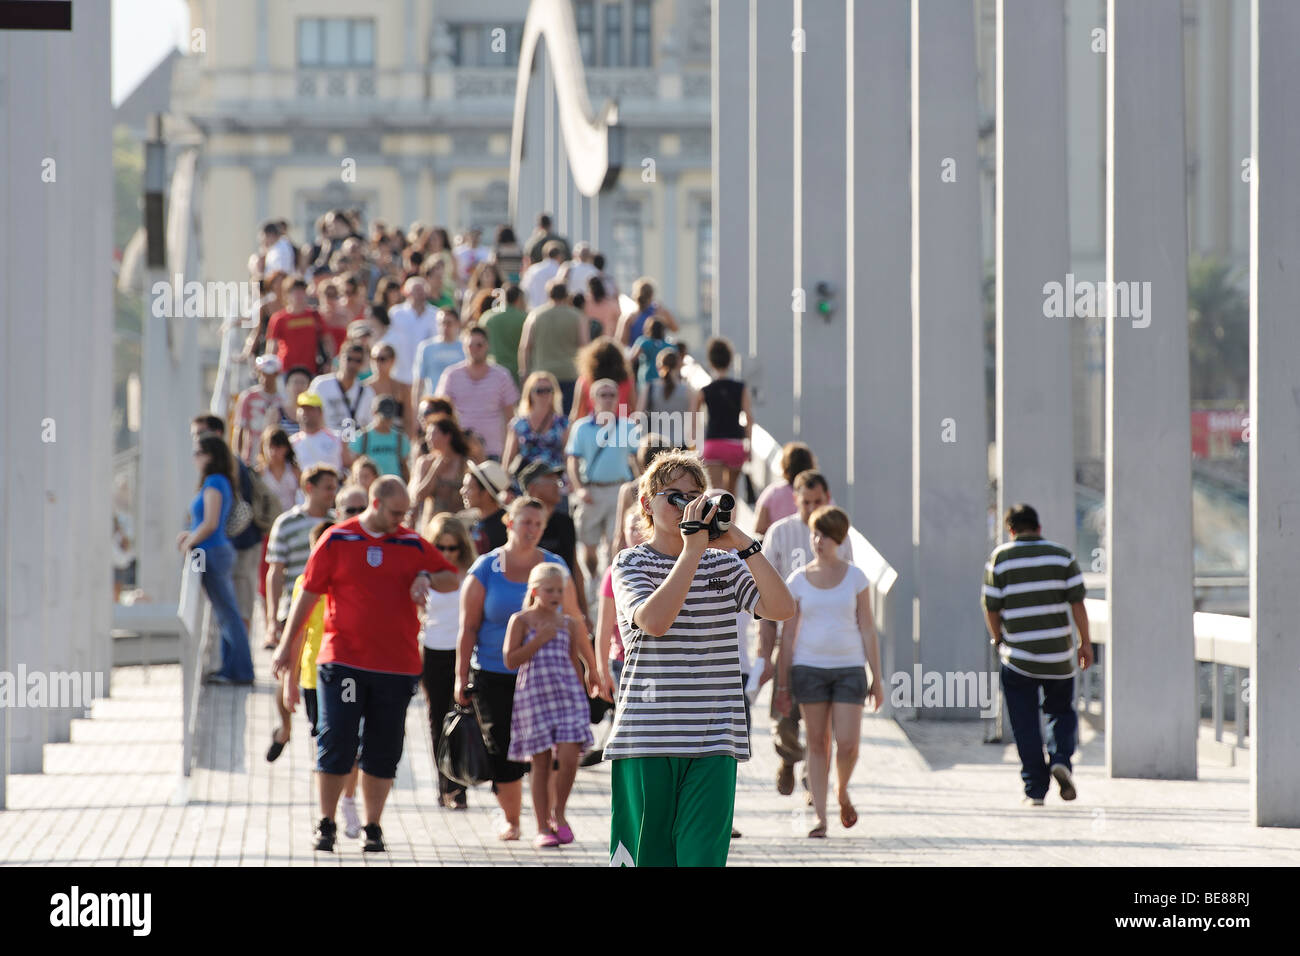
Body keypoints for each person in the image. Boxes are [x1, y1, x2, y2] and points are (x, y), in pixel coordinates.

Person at [606, 450, 794, 867]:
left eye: (695, 496)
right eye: (673, 496)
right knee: (647, 859)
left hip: (715, 739)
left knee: (701, 860)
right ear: (646, 504)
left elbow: (782, 608)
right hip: (648, 738)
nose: (685, 506)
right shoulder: (630, 562)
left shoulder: (724, 564)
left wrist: (743, 544)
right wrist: (692, 552)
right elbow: (655, 621)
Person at [272, 476, 458, 853]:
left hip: (397, 665)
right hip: (344, 661)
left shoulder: (410, 542)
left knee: (384, 748)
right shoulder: (337, 539)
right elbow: (306, 597)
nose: (400, 519)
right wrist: (284, 646)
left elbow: (451, 577)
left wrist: (425, 576)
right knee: (337, 739)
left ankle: (374, 826)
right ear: (375, 503)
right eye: (394, 512)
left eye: (405, 513)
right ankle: (326, 822)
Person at [454, 496, 597, 841]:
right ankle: (513, 819)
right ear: (509, 523)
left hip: (552, 681)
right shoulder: (487, 568)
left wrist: (592, 668)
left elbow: (574, 619)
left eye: (538, 524)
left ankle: (549, 819)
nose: (531, 529)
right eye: (525, 522)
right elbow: (468, 626)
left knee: (553, 754)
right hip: (494, 673)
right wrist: (460, 677)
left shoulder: (554, 567)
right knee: (503, 747)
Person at [774, 506, 883, 838]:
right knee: (818, 744)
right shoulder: (797, 580)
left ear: (839, 539)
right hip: (808, 669)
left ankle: (842, 790)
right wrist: (782, 685)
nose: (817, 541)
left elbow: (867, 628)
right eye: (814, 534)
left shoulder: (856, 578)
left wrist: (877, 678)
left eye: (824, 535)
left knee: (848, 744)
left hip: (850, 669)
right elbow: (788, 635)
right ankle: (820, 818)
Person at [982, 503, 1092, 806]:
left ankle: (1035, 789)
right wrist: (1085, 643)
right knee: (1061, 712)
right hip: (1058, 656)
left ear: (1011, 530)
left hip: (1018, 658)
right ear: (1039, 528)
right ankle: (1060, 759)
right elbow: (1078, 605)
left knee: (1025, 722)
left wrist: (998, 639)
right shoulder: (1062, 556)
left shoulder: (1000, 559)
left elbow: (991, 607)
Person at [755, 469, 849, 794]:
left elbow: (849, 585)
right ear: (795, 500)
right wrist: (763, 655)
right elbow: (762, 591)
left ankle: (814, 777)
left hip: (826, 643)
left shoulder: (840, 536)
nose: (811, 507)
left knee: (822, 720)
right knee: (784, 713)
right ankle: (789, 758)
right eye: (805, 501)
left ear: (827, 498)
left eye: (817, 501)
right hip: (789, 639)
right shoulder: (780, 533)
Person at [503, 563, 599, 848]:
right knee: (541, 762)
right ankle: (543, 826)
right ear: (535, 591)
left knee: (570, 757)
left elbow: (573, 660)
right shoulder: (520, 620)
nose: (556, 595)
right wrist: (539, 640)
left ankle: (560, 813)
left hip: (567, 694)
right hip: (534, 695)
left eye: (560, 590)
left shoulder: (568, 623)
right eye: (550, 590)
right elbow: (510, 660)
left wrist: (586, 685)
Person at [181, 435, 255, 686]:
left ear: (210, 456)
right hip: (214, 550)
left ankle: (240, 670)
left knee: (228, 614)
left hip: (212, 551)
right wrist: (191, 536)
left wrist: (190, 541)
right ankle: (232, 667)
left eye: (197, 453)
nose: (194, 458)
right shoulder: (220, 481)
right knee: (226, 613)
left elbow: (211, 523)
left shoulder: (214, 481)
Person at [419, 512, 477, 810]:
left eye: (452, 548)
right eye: (440, 547)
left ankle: (461, 783)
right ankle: (445, 783)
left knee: (465, 719)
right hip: (433, 652)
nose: (446, 554)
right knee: (437, 721)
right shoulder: (424, 573)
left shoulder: (471, 573)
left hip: (463, 652)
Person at [565, 379, 639, 597]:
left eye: (611, 395)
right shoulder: (581, 427)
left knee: (615, 543)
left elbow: (636, 459)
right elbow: (572, 460)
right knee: (588, 546)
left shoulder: (628, 426)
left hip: (619, 489)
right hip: (591, 492)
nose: (607, 399)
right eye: (602, 395)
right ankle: (593, 577)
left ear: (617, 399)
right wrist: (579, 488)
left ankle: (610, 585)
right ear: (593, 398)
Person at [265, 465, 340, 658]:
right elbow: (275, 572)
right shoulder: (285, 523)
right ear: (309, 488)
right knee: (288, 672)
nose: (333, 493)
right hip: (293, 610)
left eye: (335, 487)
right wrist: (272, 619)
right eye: (328, 487)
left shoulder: (339, 525)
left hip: (329, 613)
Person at [434, 324, 520, 461]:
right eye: (470, 345)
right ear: (464, 347)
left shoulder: (501, 376)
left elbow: (510, 417)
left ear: (487, 346)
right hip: (461, 449)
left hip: (493, 450)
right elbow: (442, 413)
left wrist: (509, 451)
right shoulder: (451, 375)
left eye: (479, 345)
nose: (474, 349)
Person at [515, 459, 587, 621]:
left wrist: (584, 611)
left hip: (565, 607)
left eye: (558, 481)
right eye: (550, 481)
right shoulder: (519, 528)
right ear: (532, 489)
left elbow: (574, 567)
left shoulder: (566, 522)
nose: (557, 486)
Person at [692, 337, 753, 495]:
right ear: (730, 360)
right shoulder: (741, 388)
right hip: (735, 443)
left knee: (716, 492)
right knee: (732, 493)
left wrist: (695, 446)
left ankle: (717, 520)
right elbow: (748, 418)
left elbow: (693, 418)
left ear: (711, 362)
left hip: (713, 444)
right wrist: (749, 445)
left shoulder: (704, 390)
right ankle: (731, 520)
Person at [518, 278, 589, 412]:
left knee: (542, 414)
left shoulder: (535, 316)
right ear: (567, 295)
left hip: (542, 374)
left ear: (548, 294)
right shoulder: (577, 316)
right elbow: (584, 345)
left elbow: (525, 347)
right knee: (568, 415)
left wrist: (524, 372)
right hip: (570, 373)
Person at [501, 371, 569, 478]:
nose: (544, 394)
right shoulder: (518, 424)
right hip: (525, 483)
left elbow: (567, 456)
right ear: (530, 394)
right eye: (539, 391)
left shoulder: (563, 423)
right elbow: (508, 459)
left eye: (548, 390)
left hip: (555, 483)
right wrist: (505, 485)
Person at [409, 415, 470, 527]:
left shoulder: (465, 463)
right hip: (432, 526)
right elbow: (419, 496)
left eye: (432, 434)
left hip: (460, 526)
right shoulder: (425, 462)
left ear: (447, 436)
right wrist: (434, 471)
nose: (427, 438)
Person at [383, 276, 437, 396]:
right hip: (399, 375)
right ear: (406, 292)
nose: (419, 294)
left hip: (426, 378)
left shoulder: (436, 315)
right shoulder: (396, 313)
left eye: (422, 290)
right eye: (415, 290)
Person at [266, 277, 330, 375]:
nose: (299, 295)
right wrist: (270, 366)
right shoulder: (279, 318)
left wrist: (328, 361)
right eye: (295, 292)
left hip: (311, 368)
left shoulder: (315, 316)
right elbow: (272, 345)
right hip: (286, 369)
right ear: (287, 295)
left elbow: (327, 340)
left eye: (302, 291)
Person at [309, 341, 374, 438]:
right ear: (339, 359)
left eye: (358, 361)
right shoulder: (321, 385)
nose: (352, 364)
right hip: (326, 443)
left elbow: (370, 425)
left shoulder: (367, 392)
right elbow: (309, 415)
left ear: (363, 364)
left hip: (354, 445)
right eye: (349, 359)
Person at [232, 354, 288, 465]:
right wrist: (237, 458)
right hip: (250, 457)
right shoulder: (248, 396)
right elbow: (239, 428)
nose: (266, 378)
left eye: (271, 374)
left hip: (275, 458)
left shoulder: (284, 399)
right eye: (263, 374)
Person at [754, 442, 816, 537]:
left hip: (778, 547)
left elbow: (759, 527)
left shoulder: (772, 492)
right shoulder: (818, 494)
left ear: (784, 465)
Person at [412, 308, 465, 415]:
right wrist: (417, 412)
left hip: (458, 408)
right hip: (433, 406)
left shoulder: (465, 348)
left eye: (449, 323)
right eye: (442, 323)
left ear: (457, 324)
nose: (445, 327)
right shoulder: (426, 348)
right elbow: (419, 383)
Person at [570, 337, 635, 421]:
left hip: (595, 429)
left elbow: (578, 413)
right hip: (622, 430)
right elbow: (633, 409)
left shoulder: (585, 381)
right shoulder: (627, 381)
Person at [349, 395, 410, 480]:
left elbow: (404, 466)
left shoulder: (401, 438)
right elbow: (354, 465)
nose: (387, 421)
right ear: (374, 413)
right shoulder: (362, 437)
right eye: (384, 417)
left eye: (390, 417)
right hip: (369, 485)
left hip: (393, 484)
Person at [479, 285, 528, 385]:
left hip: (490, 370)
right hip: (516, 373)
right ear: (519, 299)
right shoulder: (525, 318)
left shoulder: (486, 317)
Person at [461, 458, 511, 555]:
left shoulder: (505, 526)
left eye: (469, 488)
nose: (462, 491)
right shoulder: (468, 521)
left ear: (486, 493)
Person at [290, 392, 344, 472]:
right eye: (303, 409)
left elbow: (347, 464)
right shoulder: (292, 443)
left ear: (320, 412)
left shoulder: (337, 438)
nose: (306, 413)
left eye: (310, 409)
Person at [366, 342, 411, 438]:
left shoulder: (402, 388)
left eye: (382, 359)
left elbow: (408, 420)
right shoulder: (364, 388)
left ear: (392, 360)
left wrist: (407, 443)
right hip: (370, 441)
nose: (377, 363)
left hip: (395, 441)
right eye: (374, 359)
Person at [616, 277, 678, 346]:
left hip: (636, 354)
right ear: (652, 295)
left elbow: (621, 342)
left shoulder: (629, 317)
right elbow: (675, 328)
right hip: (656, 354)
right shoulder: (660, 312)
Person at [259, 429, 301, 512]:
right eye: (270, 447)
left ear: (286, 448)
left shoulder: (295, 472)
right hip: (267, 520)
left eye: (278, 447)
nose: (273, 452)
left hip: (291, 518)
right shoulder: (259, 473)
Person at [627, 319, 675, 390]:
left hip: (646, 377)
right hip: (663, 376)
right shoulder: (669, 346)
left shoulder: (644, 342)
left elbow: (631, 359)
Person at [521, 240, 567, 310]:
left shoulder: (532, 269)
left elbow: (524, 289)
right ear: (559, 256)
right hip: (553, 311)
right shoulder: (560, 271)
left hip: (532, 310)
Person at [584, 275, 621, 340]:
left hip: (589, 342)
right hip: (607, 341)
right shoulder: (612, 304)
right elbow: (619, 322)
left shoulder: (584, 304)